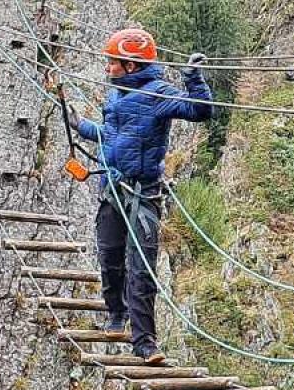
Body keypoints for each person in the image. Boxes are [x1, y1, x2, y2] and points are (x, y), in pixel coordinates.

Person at [69, 28, 213, 361]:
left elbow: (201, 112)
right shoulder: (116, 94)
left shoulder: (159, 94)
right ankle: (116, 314)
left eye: (112, 62)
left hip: (144, 193)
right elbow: (112, 136)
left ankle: (145, 342)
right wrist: (81, 127)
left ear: (130, 65)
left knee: (142, 267)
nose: (108, 68)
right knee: (109, 257)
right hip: (112, 190)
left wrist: (193, 79)